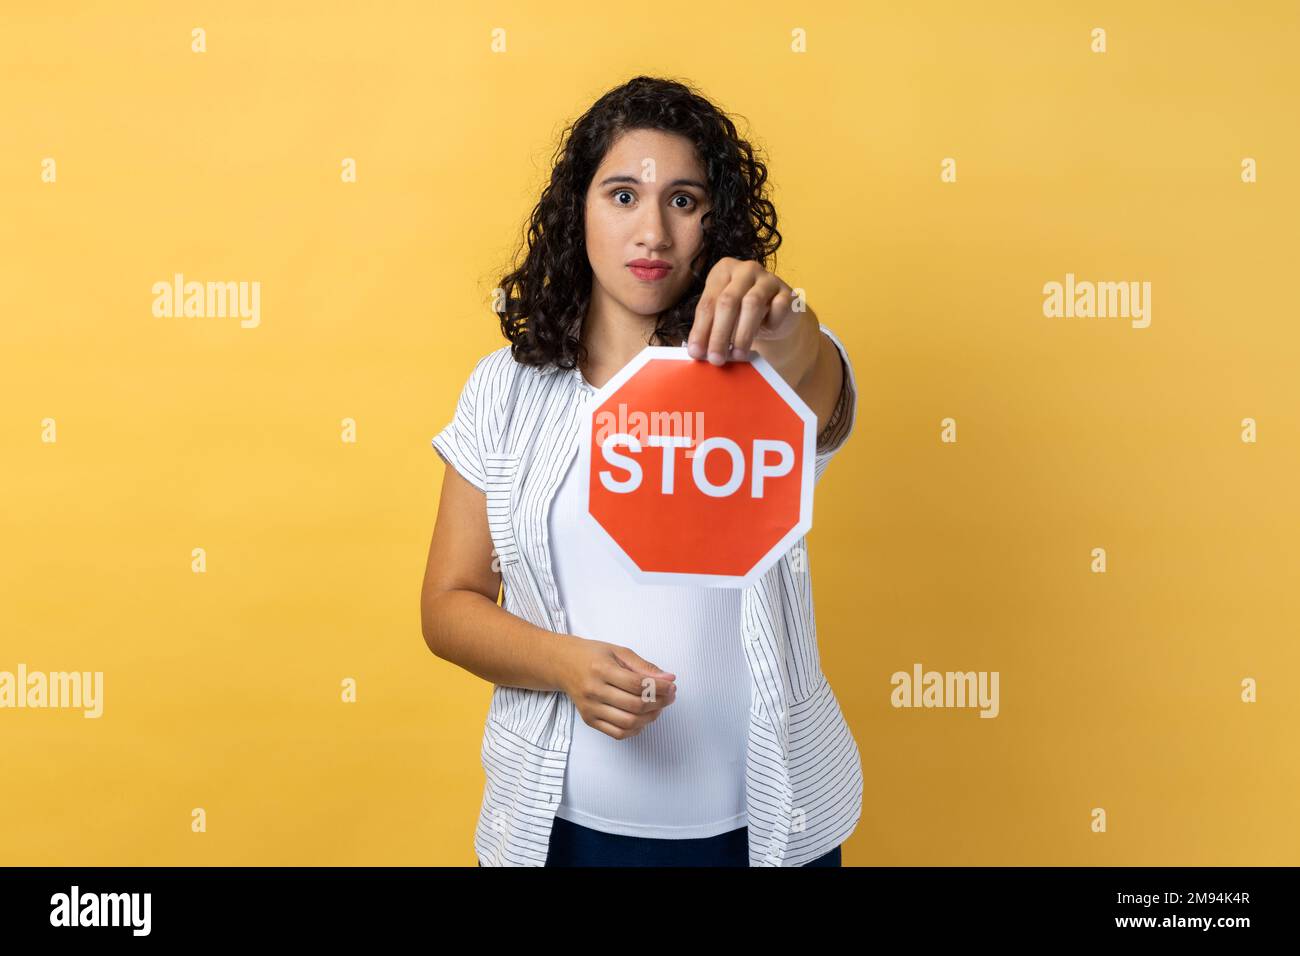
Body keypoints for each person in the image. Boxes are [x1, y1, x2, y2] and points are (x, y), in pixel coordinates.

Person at [421, 75, 862, 867]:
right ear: (576, 212)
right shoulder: (505, 390)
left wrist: (785, 319)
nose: (653, 231)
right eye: (623, 196)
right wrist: (567, 665)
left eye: (683, 201)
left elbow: (820, 388)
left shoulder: (763, 377)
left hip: (764, 834)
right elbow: (449, 605)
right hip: (559, 833)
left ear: (713, 223)